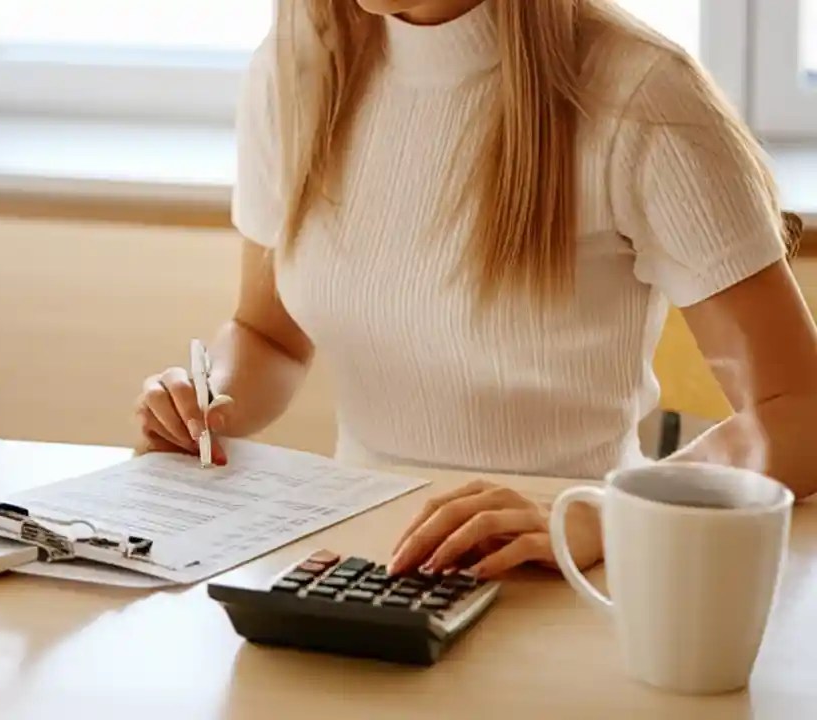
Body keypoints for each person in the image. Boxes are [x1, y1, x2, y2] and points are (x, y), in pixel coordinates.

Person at [134, 0, 817, 580]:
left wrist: (608, 513)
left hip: (564, 571)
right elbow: (268, 335)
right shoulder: (298, 68)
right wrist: (209, 400)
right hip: (358, 563)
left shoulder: (640, 97)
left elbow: (801, 409)